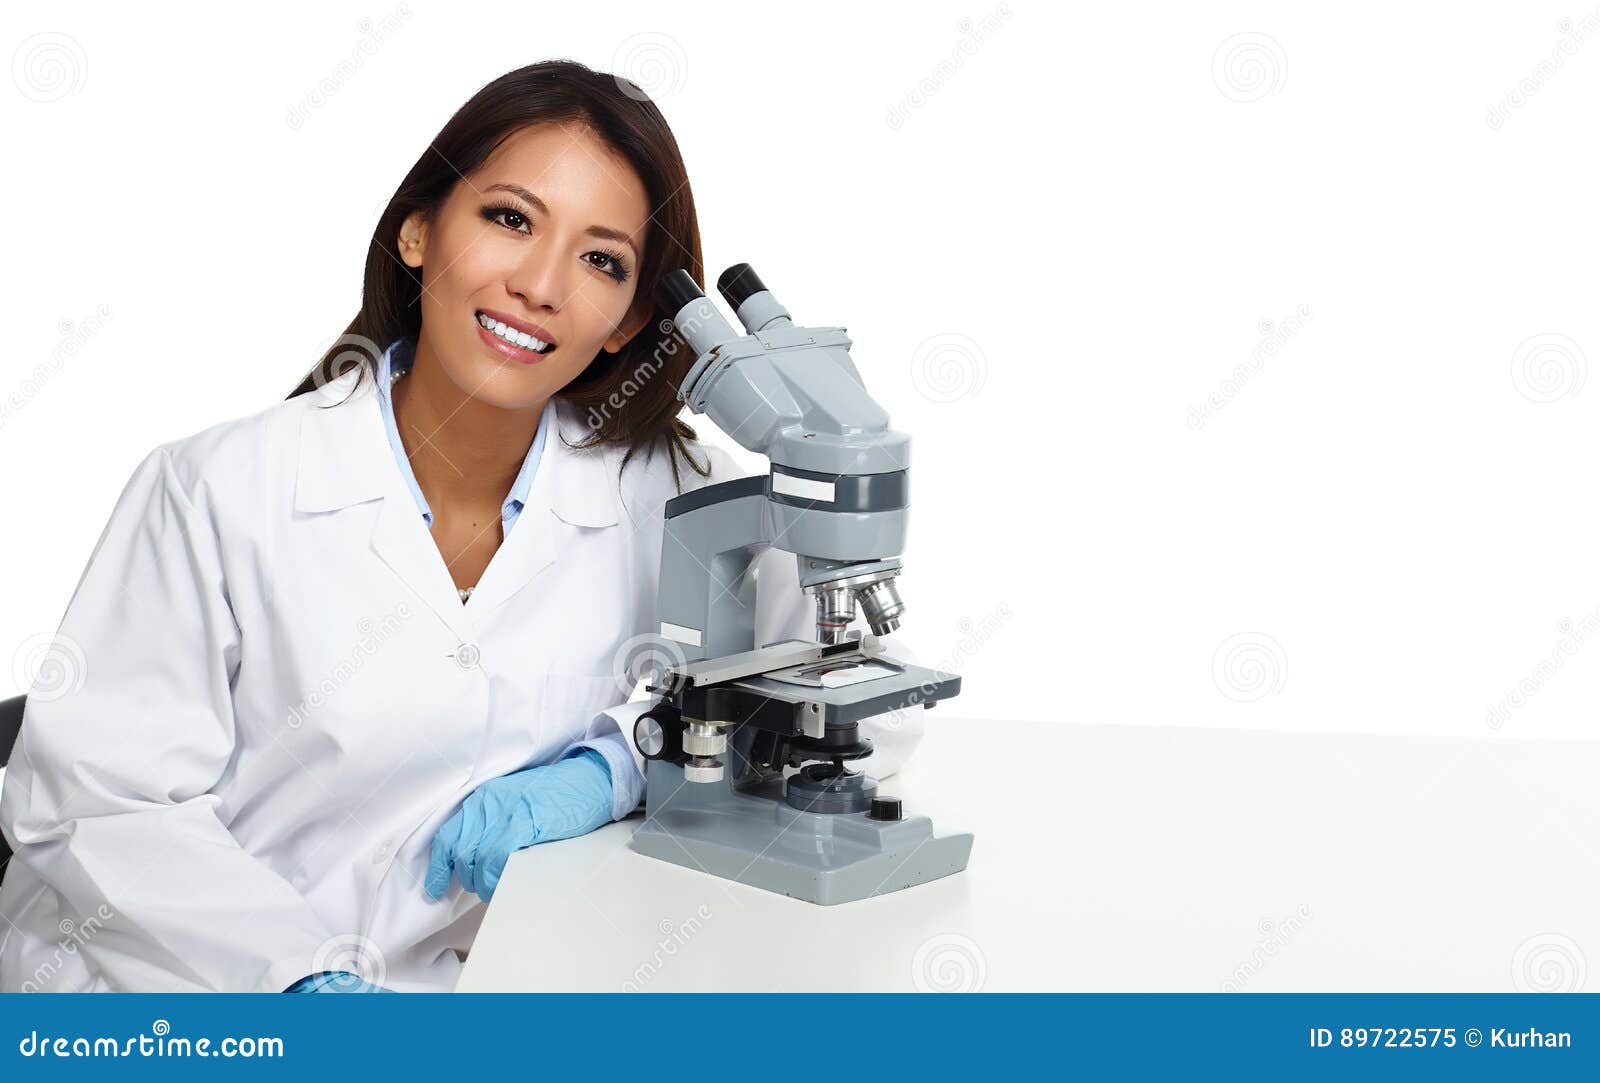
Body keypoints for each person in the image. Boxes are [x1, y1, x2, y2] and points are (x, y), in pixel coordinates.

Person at [0, 60, 919, 994]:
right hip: (175, 1002)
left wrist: (619, 765)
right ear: (416, 229)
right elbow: (95, 802)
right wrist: (294, 983)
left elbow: (834, 710)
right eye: (510, 219)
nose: (540, 284)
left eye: (601, 260)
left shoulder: (673, 494)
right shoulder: (214, 491)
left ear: (628, 321)